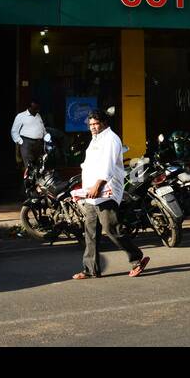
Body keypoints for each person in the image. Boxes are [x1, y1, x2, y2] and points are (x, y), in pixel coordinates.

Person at [73, 109, 149, 280]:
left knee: (111, 228)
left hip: (105, 191)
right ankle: (90, 269)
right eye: (90, 124)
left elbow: (106, 167)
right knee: (90, 232)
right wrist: (84, 190)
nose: (92, 127)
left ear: (104, 123)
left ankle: (137, 259)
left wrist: (97, 185)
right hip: (92, 193)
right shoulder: (95, 140)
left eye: (96, 124)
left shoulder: (111, 139)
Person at [11, 100, 47, 172]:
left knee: (39, 165)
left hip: (38, 144)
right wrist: (21, 142)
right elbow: (14, 131)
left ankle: (37, 181)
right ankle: (28, 182)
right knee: (29, 166)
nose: (37, 110)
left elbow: (43, 129)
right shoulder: (21, 116)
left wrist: (46, 136)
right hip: (27, 143)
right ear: (29, 108)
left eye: (38, 109)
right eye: (35, 109)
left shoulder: (38, 115)